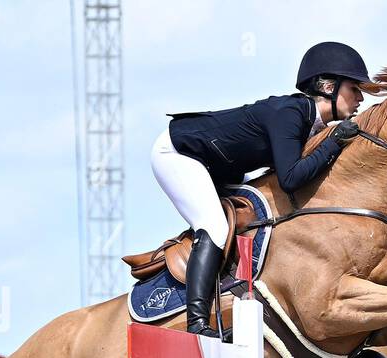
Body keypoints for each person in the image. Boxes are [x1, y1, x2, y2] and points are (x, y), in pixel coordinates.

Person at [152, 42, 369, 338]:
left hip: (219, 166)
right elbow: (291, 178)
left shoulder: (312, 124)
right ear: (328, 86)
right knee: (214, 227)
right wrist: (335, 142)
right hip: (180, 154)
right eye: (355, 88)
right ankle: (197, 326)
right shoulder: (291, 112)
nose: (360, 98)